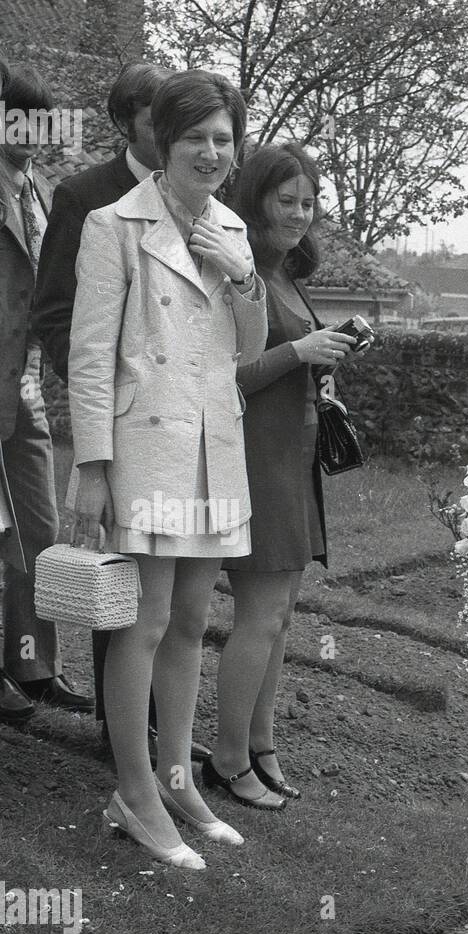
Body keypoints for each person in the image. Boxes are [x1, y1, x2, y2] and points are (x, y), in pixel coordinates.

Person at [69, 69, 267, 869]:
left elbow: (249, 351)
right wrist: (90, 466)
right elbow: (87, 358)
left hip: (213, 454)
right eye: (196, 139)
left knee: (190, 624)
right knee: (144, 625)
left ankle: (178, 779)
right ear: (164, 141)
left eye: (224, 139)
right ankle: (137, 795)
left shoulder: (230, 227)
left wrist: (243, 271)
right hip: (145, 451)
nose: (212, 153)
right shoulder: (111, 225)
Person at [31, 60, 184, 755]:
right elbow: (58, 315)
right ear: (127, 124)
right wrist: (105, 402)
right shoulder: (84, 196)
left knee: (173, 584)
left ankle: (165, 730)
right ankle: (119, 730)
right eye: (161, 122)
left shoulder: (196, 194)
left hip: (184, 425)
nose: (178, 135)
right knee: (118, 574)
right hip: (119, 418)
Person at [211, 141, 354, 810]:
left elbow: (286, 368)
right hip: (254, 462)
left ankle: (261, 745)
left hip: (294, 461)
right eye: (287, 200)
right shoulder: (239, 273)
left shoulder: (287, 272)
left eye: (309, 201)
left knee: (281, 617)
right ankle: (229, 757)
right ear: (256, 198)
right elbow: (225, 378)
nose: (300, 213)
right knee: (259, 616)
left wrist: (319, 381)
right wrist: (300, 351)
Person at [0, 61, 93, 723]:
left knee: (41, 530)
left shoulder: (38, 187)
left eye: (38, 120)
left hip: (22, 381)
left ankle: (33, 664)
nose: (29, 131)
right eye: (16, 117)